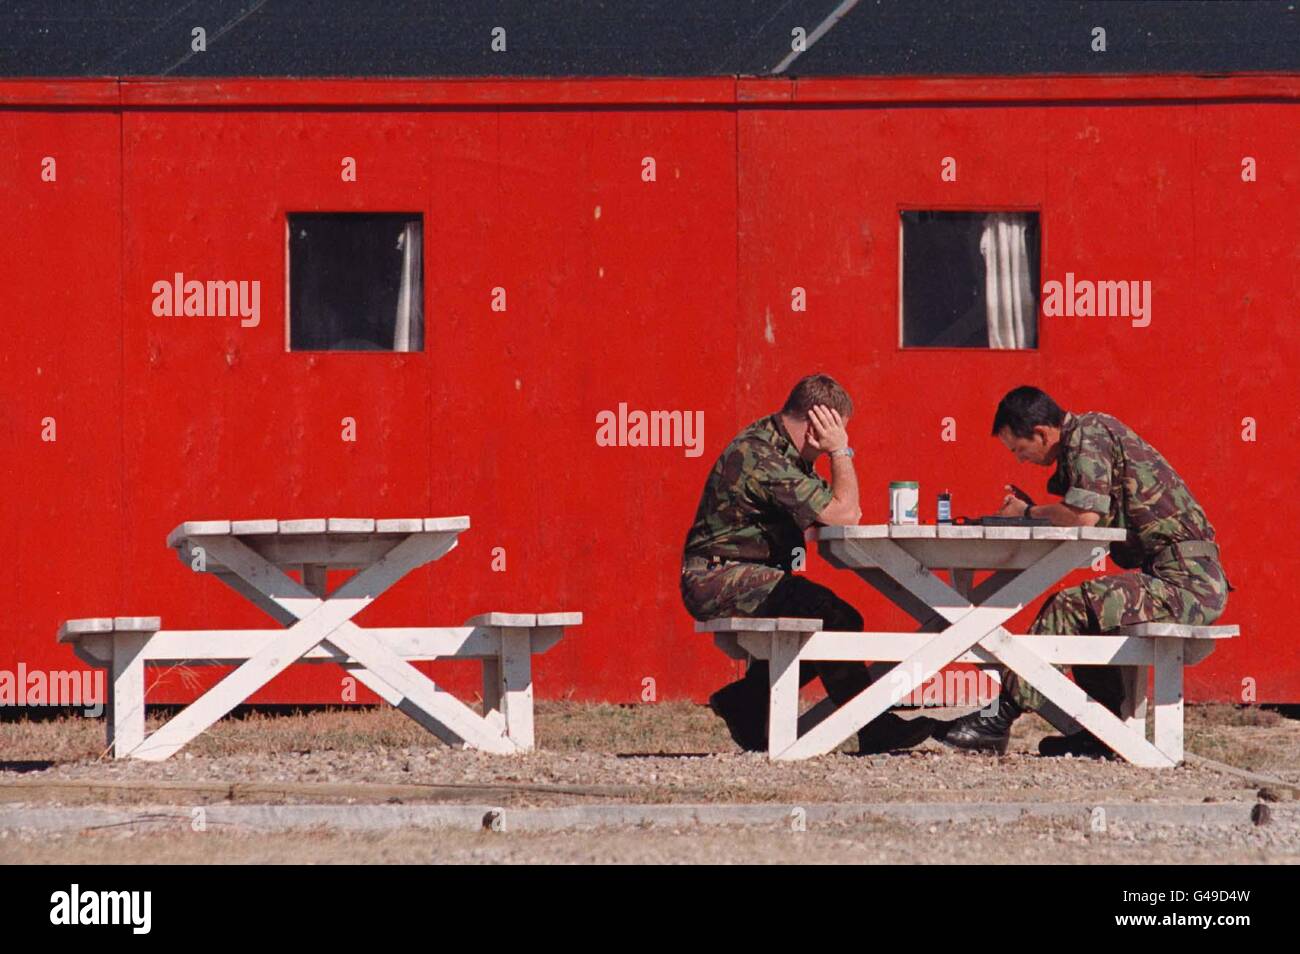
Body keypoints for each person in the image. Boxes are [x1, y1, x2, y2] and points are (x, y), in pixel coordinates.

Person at [941, 385, 1231, 757]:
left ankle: (997, 721)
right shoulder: (1086, 439)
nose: (1020, 461)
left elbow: (1082, 515)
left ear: (1042, 433)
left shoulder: (1088, 434)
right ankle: (1103, 730)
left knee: (1073, 606)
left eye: (1019, 449)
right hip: (1178, 576)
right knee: (1091, 610)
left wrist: (1028, 513)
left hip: (1188, 583)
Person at [680, 373, 936, 754]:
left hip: (741, 573)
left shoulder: (784, 452)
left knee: (833, 616)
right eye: (838, 429)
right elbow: (845, 513)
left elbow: (840, 511)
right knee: (832, 616)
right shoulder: (762, 455)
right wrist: (840, 452)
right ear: (819, 423)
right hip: (717, 576)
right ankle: (872, 726)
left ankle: (748, 701)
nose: (839, 437)